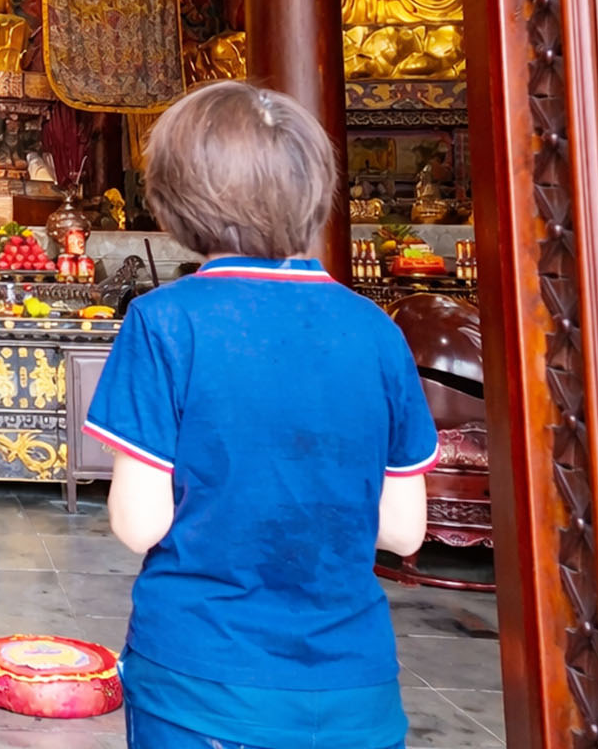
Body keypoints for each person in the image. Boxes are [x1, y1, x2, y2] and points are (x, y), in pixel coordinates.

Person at [85, 80, 436, 749]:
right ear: (316, 188)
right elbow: (402, 530)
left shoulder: (165, 322)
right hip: (352, 687)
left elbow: (140, 524)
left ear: (173, 199)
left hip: (200, 678)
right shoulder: (376, 330)